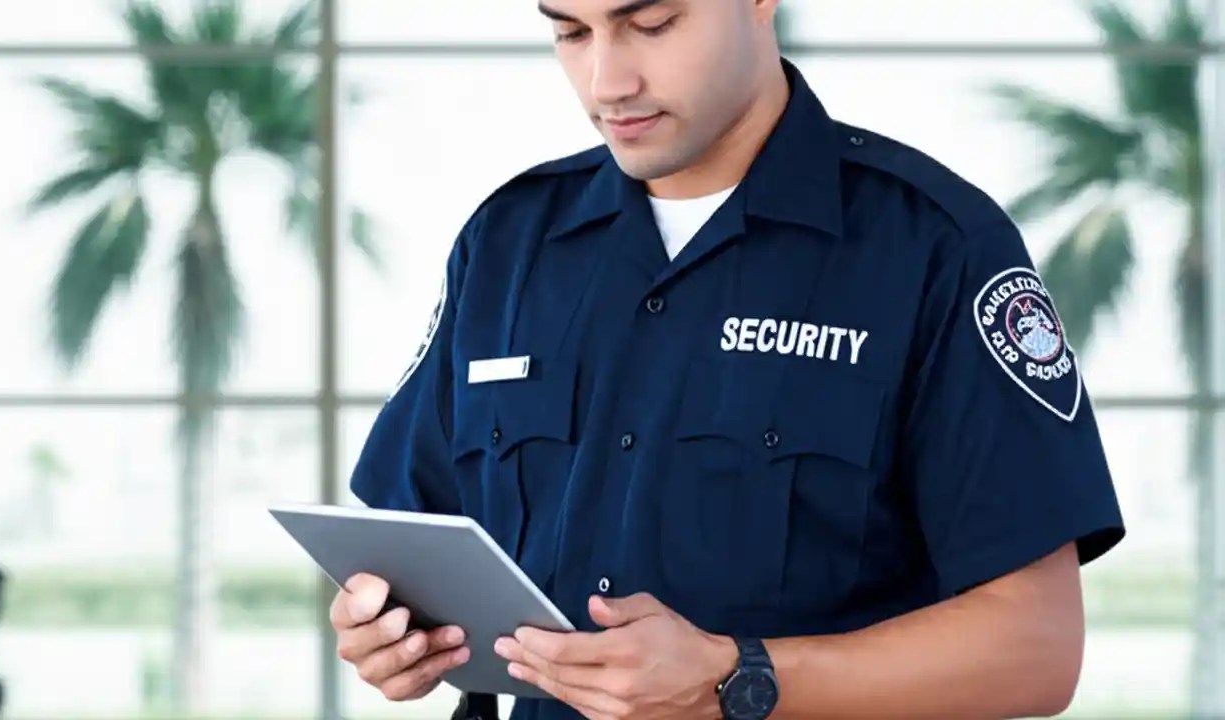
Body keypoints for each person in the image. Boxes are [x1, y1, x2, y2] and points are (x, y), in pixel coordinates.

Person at [329, 1, 1127, 718]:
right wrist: (392, 634)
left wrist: (735, 679)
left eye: (652, 24)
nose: (608, 80)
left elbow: (1037, 650)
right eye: (571, 31)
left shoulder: (935, 247)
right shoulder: (507, 243)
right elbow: (411, 539)